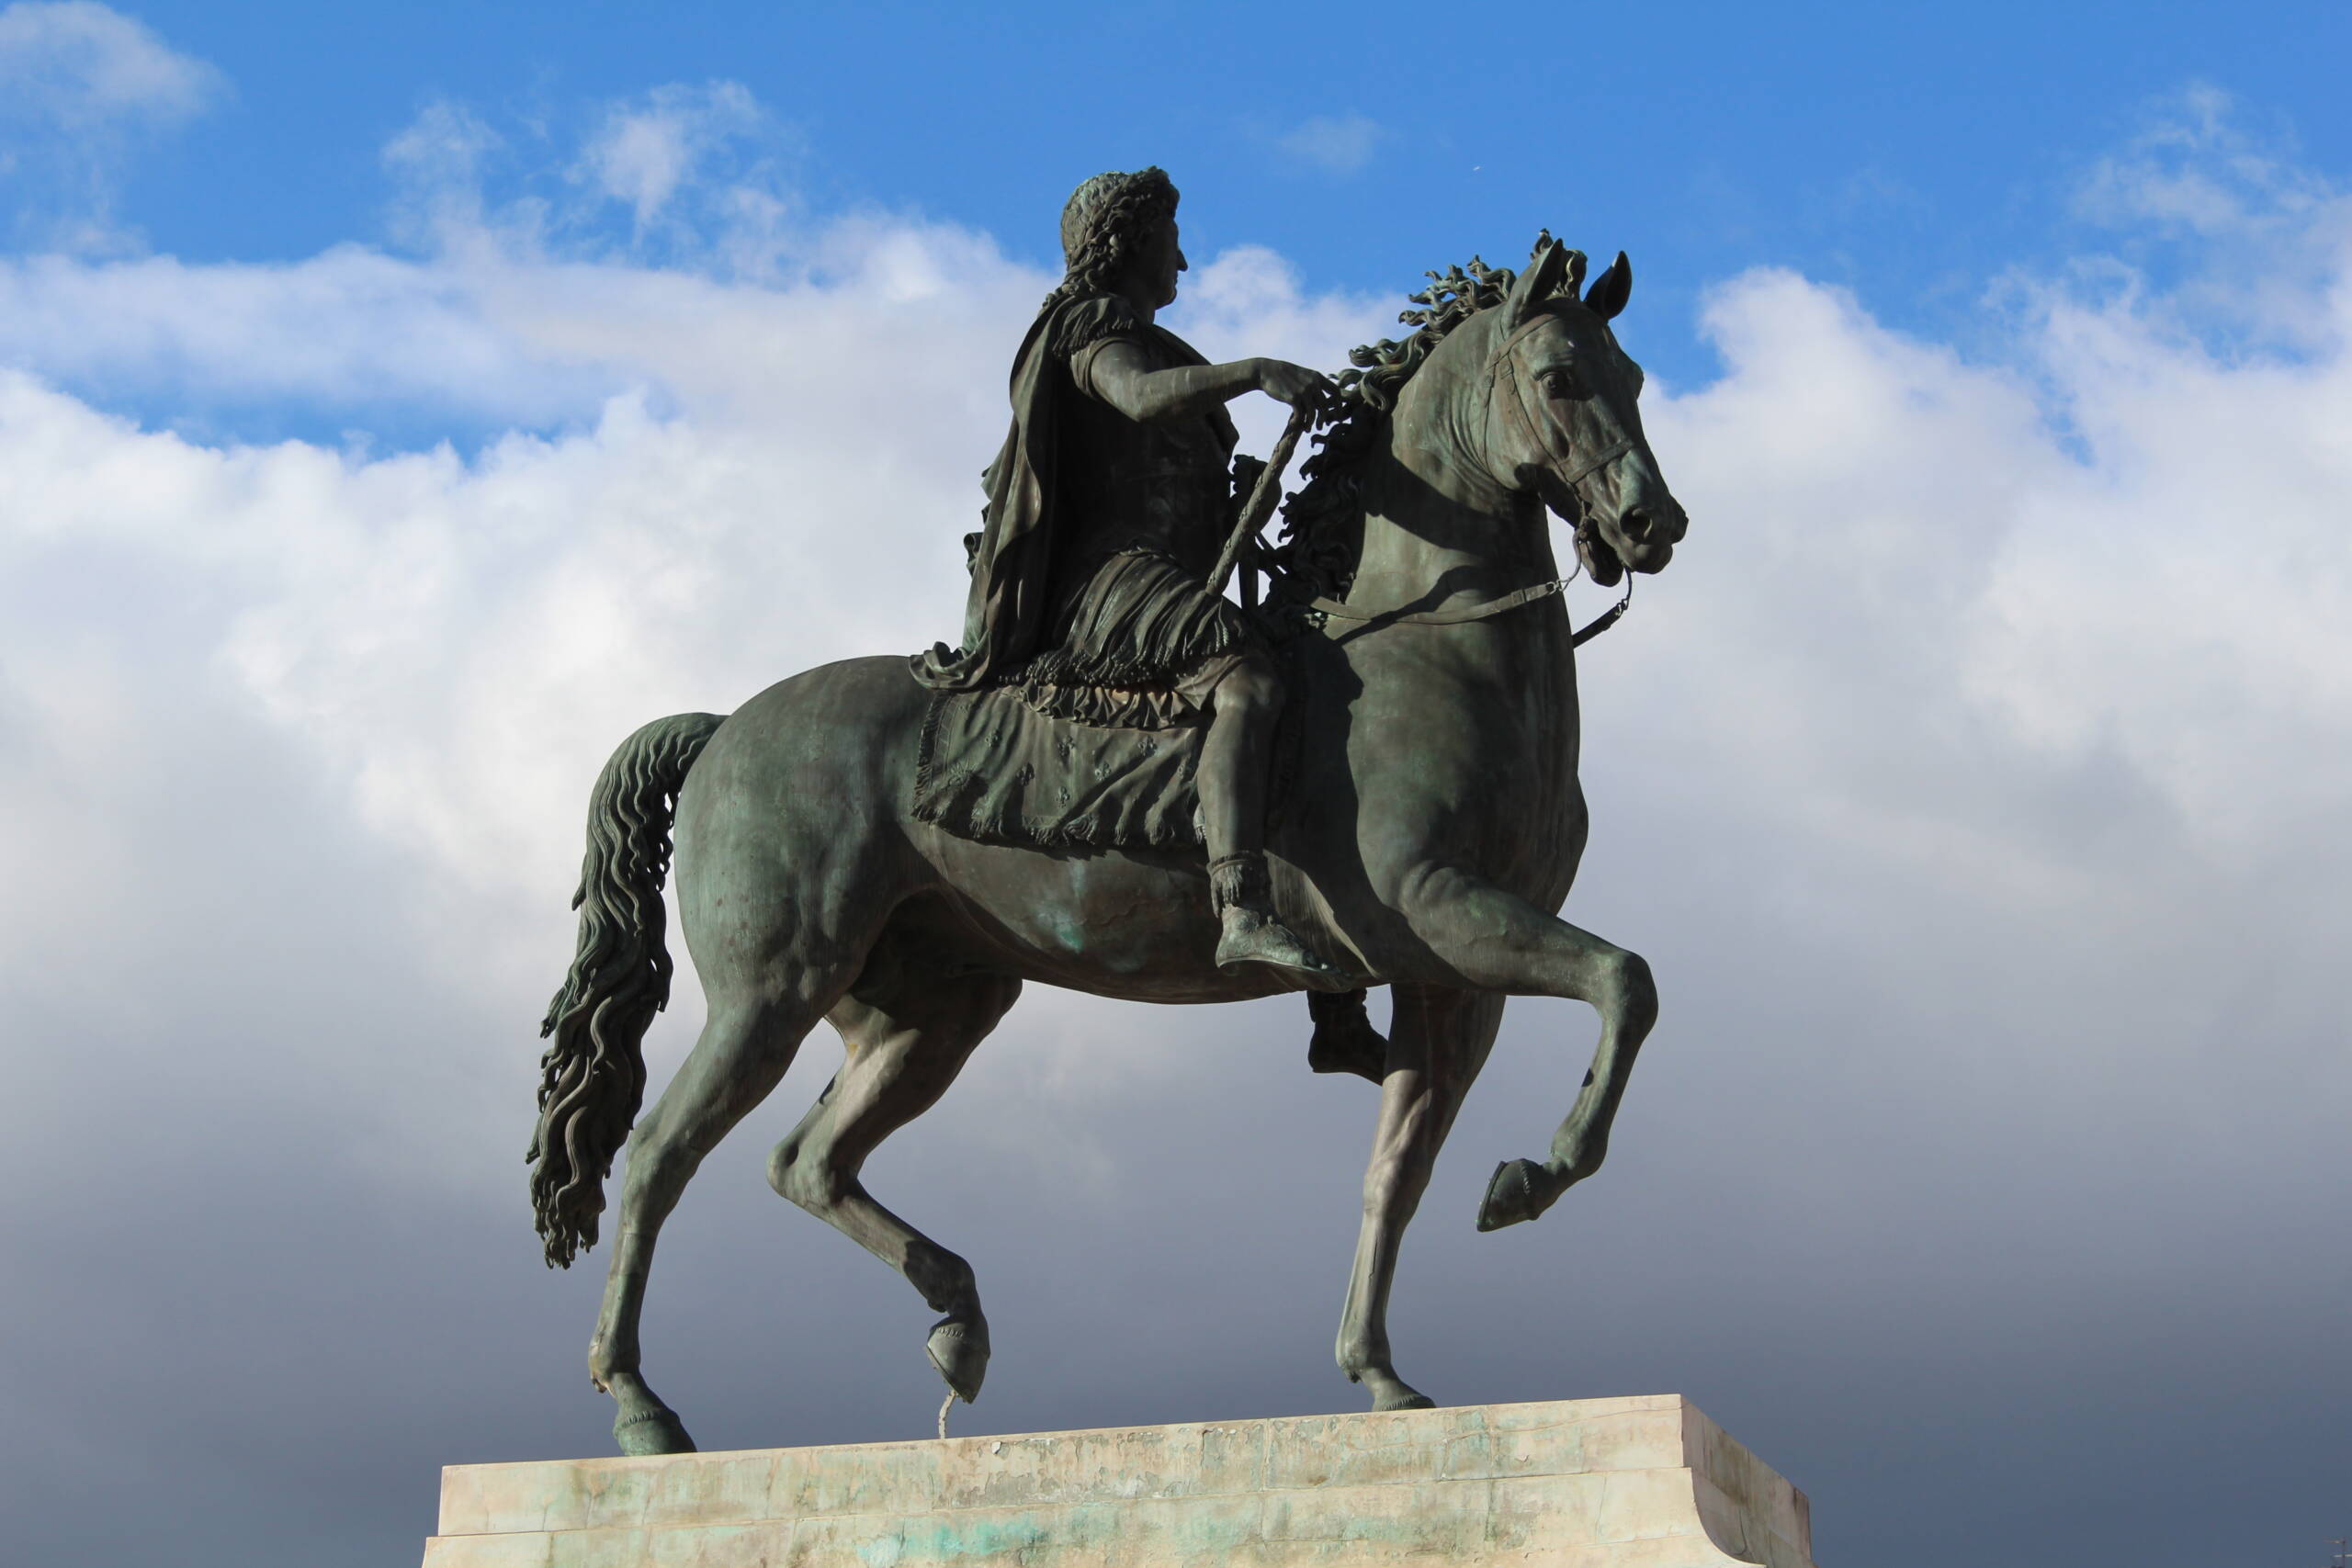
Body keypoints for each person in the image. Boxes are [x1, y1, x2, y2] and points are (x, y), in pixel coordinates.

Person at [916, 167, 1337, 983]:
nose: (1182, 260)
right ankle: (1243, 906)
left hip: (1163, 569)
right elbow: (1138, 399)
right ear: (1129, 239)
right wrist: (1252, 371)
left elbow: (1162, 474)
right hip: (1106, 577)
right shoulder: (1090, 324)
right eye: (1170, 238)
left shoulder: (1152, 336)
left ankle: (1336, 992)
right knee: (1246, 681)